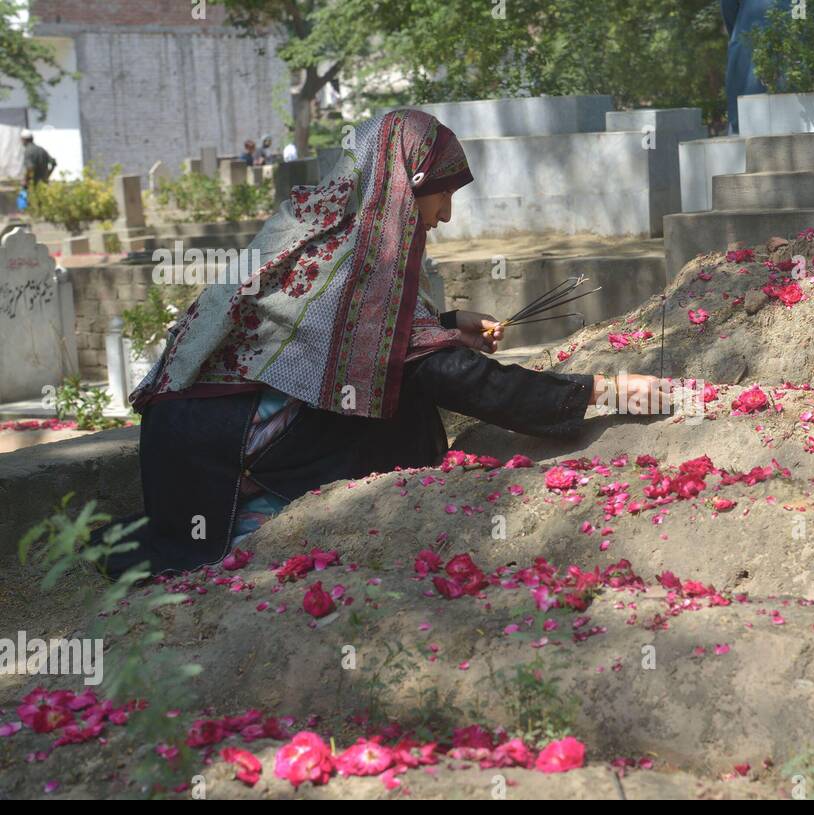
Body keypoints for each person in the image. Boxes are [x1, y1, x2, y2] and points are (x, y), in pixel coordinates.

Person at [108, 108, 661, 578]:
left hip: (188, 434)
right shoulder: (361, 257)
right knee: (405, 394)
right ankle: (249, 515)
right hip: (212, 440)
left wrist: (444, 323)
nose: (445, 214)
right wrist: (598, 392)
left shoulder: (330, 228)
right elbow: (444, 373)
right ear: (411, 183)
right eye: (443, 194)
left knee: (398, 379)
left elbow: (335, 336)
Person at [720, 0, 814, 135]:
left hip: (752, 45)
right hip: (774, 49)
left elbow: (730, 12)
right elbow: (805, 15)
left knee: (745, 127)